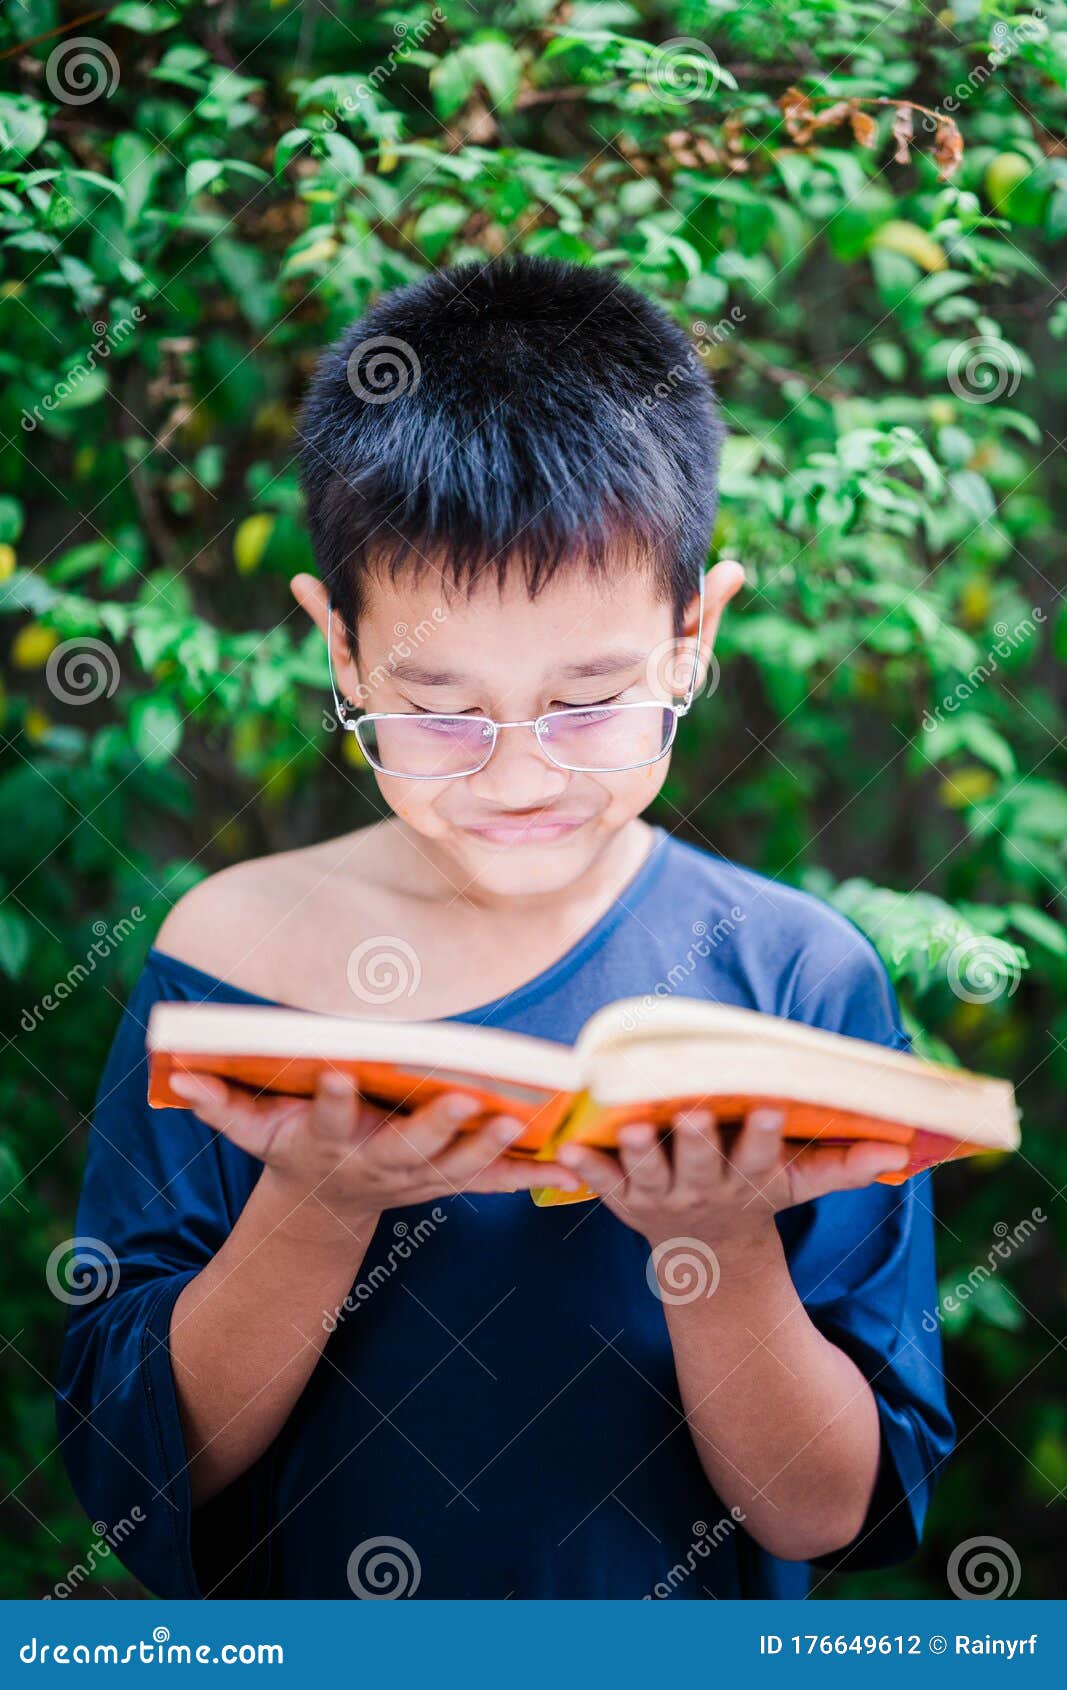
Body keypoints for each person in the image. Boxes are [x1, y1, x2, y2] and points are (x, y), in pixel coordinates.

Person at [56, 256, 953, 1599]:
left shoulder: (796, 978)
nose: (519, 774)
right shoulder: (236, 955)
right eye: (439, 709)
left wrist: (719, 1243)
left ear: (693, 638)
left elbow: (823, 1508)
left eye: (590, 700)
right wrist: (319, 1193)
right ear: (342, 651)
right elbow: (132, 1477)